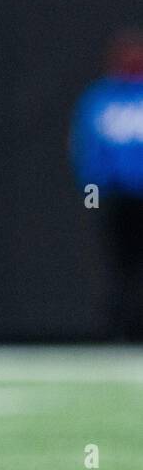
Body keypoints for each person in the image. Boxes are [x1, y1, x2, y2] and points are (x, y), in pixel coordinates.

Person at [71, 32, 143, 338]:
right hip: (117, 198)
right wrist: (93, 188)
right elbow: (86, 145)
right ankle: (119, 329)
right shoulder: (101, 96)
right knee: (119, 266)